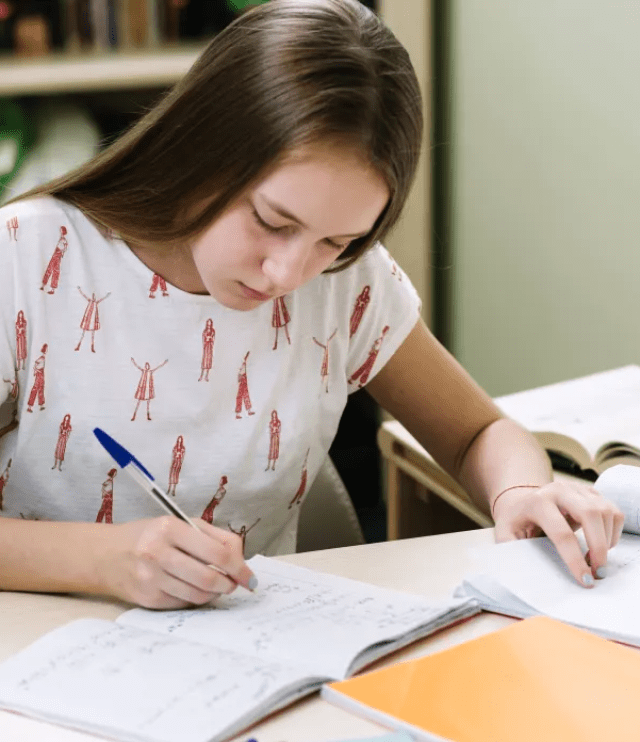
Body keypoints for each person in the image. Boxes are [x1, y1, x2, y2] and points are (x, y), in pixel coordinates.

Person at [0, 0, 623, 611]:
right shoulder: (27, 258)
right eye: (272, 221)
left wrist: (520, 490)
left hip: (255, 658)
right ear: (202, 147)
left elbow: (478, 432)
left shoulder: (348, 283)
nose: (289, 273)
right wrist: (105, 559)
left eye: (336, 240)